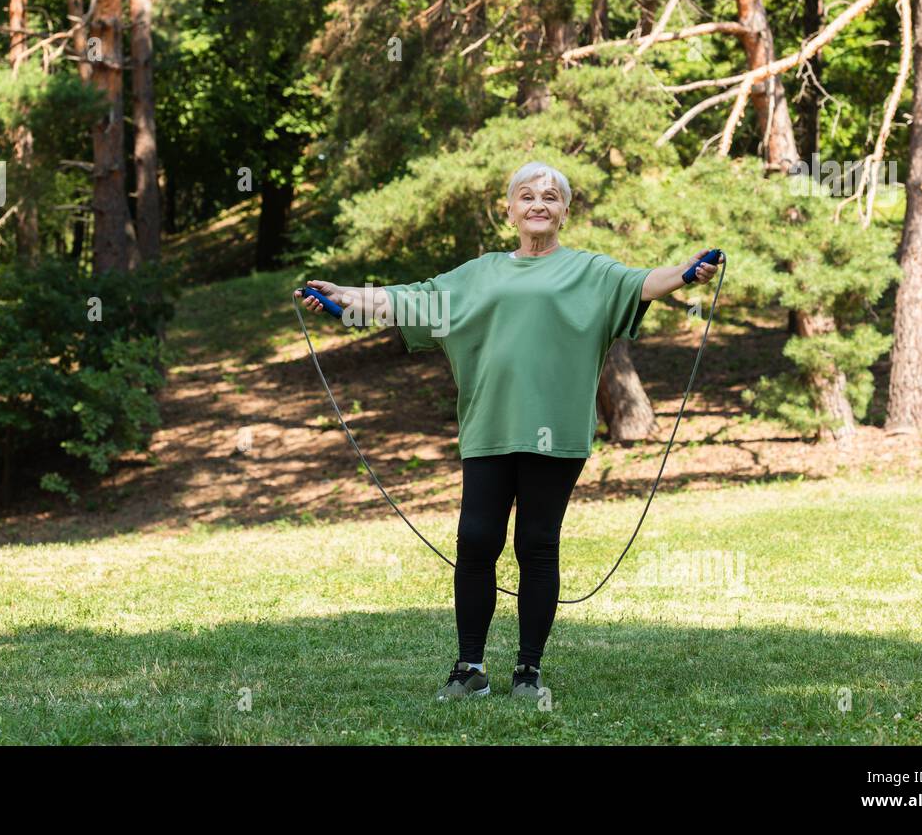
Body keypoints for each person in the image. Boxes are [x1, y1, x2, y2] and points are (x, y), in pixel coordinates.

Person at [295, 161, 721, 700]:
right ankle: (469, 669)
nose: (538, 204)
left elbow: (646, 283)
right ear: (510, 209)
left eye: (550, 196)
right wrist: (345, 296)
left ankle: (528, 671)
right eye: (527, 196)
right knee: (476, 541)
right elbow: (405, 298)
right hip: (490, 426)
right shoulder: (480, 273)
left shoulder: (592, 271)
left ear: (566, 210)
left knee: (536, 544)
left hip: (556, 431)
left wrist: (687, 272)